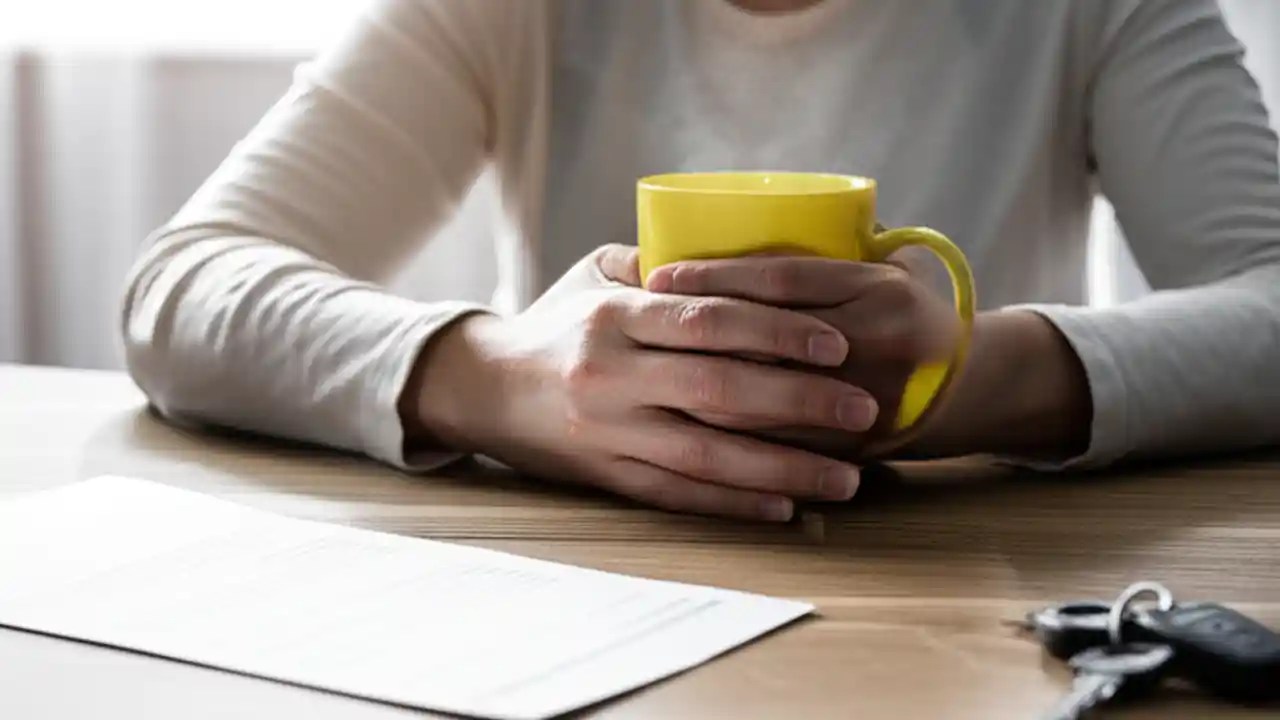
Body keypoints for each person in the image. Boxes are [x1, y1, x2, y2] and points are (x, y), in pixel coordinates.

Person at [122, 0, 1280, 522]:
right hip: (571, 600)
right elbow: (182, 284)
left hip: (963, 606)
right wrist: (496, 377)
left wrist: (975, 377)